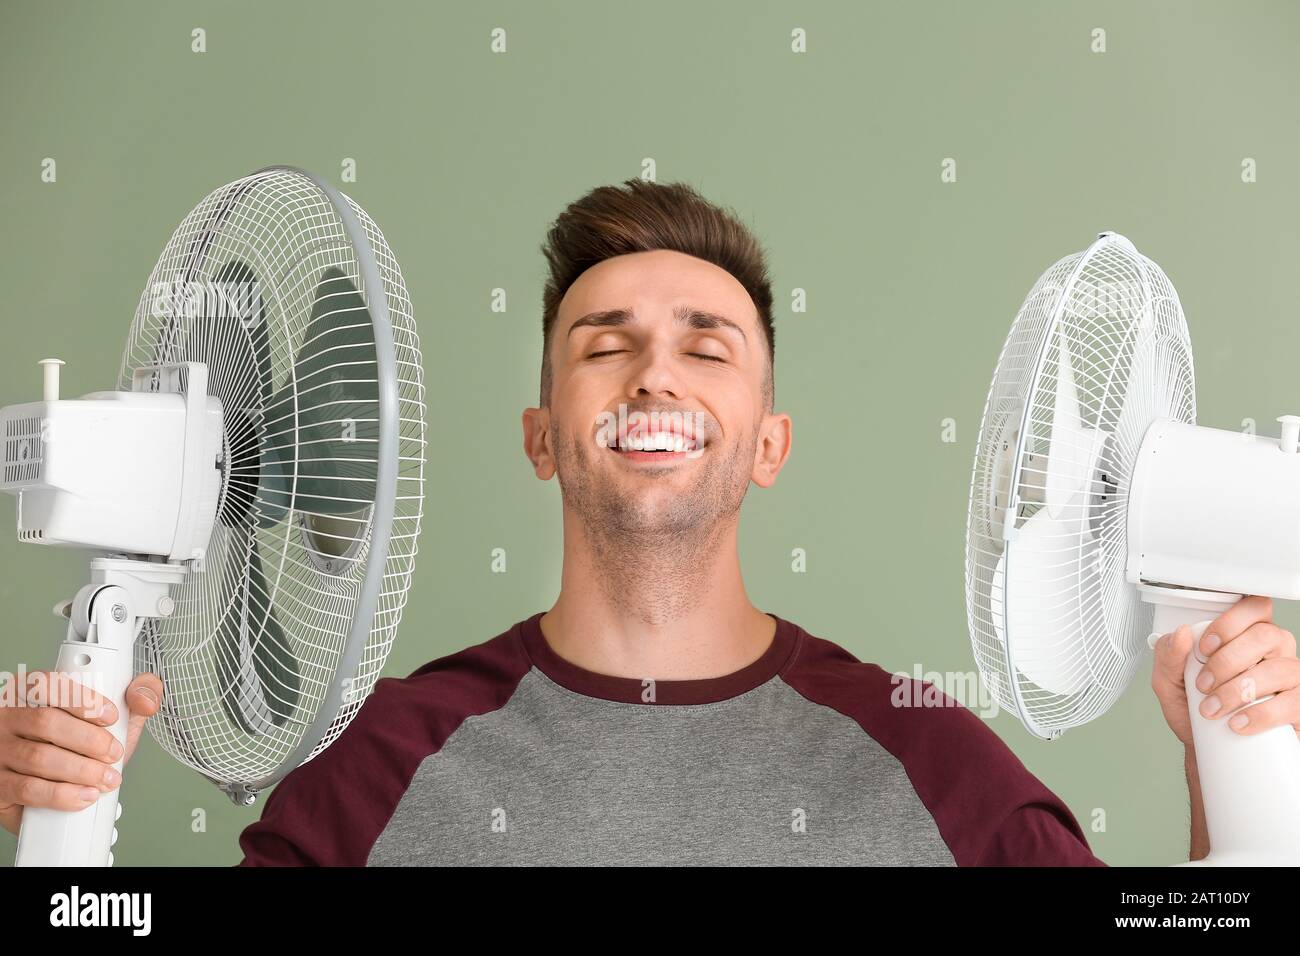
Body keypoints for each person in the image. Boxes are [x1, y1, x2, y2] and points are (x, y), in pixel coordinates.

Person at [3, 180, 1297, 865]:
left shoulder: (938, 766)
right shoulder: (374, 765)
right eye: (603, 345)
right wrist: (58, 836)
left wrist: (1217, 763)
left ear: (770, 442)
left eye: (708, 347)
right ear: (542, 430)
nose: (655, 377)